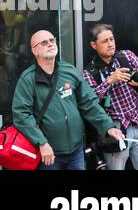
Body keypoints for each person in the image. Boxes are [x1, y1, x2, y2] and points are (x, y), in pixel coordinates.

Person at [11, 30, 125, 170]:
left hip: (76, 152)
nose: (50, 44)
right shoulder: (28, 79)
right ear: (35, 51)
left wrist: (108, 127)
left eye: (52, 40)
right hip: (49, 154)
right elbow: (21, 115)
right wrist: (41, 143)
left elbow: (89, 103)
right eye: (44, 42)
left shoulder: (70, 71)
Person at [82, 23, 138, 171]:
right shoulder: (89, 72)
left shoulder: (127, 56)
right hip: (114, 128)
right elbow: (91, 102)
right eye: (105, 41)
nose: (110, 44)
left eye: (112, 39)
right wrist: (109, 81)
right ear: (93, 45)